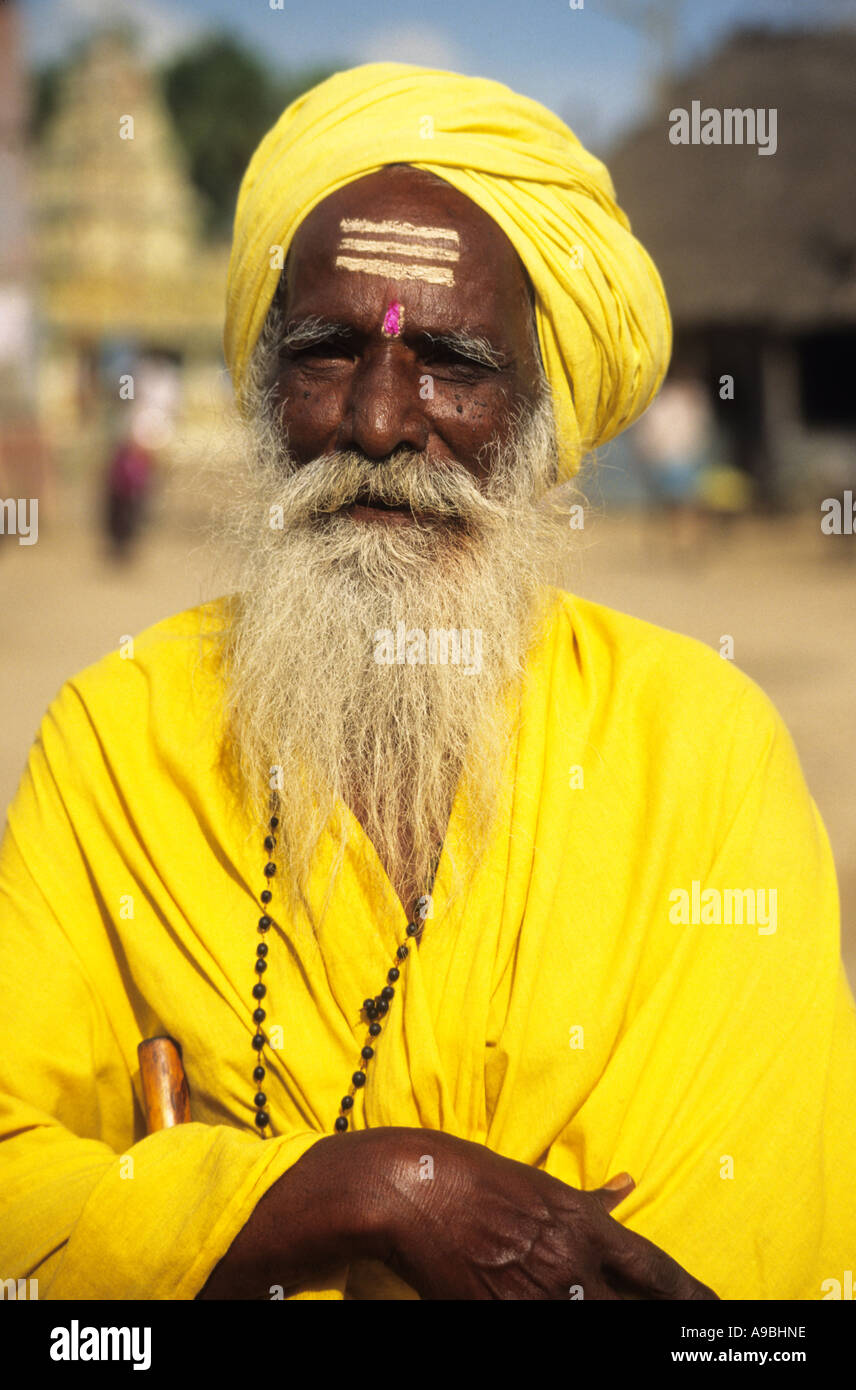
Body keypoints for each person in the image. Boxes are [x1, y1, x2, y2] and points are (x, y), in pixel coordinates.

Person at [0, 63, 853, 1302]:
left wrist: (201, 1206)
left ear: (546, 428)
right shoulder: (116, 738)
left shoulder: (702, 751)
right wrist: (370, 1191)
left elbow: (722, 1278)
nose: (383, 420)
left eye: (451, 360)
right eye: (328, 350)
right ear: (257, 395)